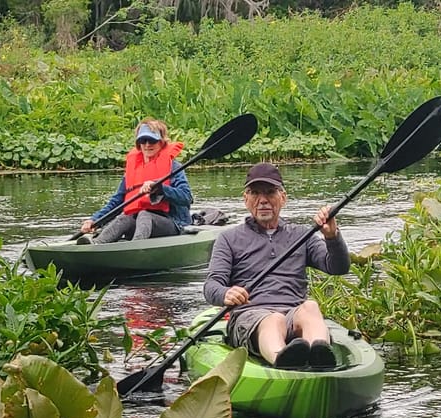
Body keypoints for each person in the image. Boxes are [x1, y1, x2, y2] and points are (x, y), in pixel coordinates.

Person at [203, 162, 350, 369]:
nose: (263, 200)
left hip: (293, 311)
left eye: (270, 192)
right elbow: (211, 286)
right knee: (274, 320)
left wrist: (332, 237)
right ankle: (283, 360)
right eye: (255, 193)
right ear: (246, 199)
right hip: (252, 315)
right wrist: (225, 293)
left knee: (310, 307)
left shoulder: (301, 235)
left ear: (283, 197)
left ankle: (319, 356)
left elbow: (338, 267)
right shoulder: (228, 239)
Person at [77, 118, 193, 244]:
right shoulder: (133, 170)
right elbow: (117, 201)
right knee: (124, 217)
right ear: (139, 144)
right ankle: (97, 243)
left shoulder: (174, 167)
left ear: (161, 142)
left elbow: (186, 197)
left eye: (152, 140)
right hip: (141, 223)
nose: (147, 144)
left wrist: (160, 188)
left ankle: (135, 246)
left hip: (173, 223)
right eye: (143, 140)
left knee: (144, 214)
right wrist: (94, 220)